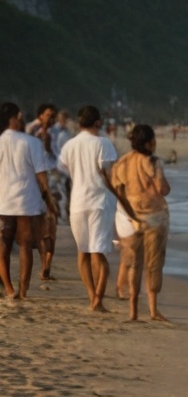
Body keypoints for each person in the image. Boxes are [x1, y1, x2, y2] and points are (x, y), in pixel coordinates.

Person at [58, 105, 120, 313]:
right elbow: (107, 172)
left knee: (83, 251)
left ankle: (92, 295)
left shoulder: (70, 145)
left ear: (79, 123)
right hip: (100, 202)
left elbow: (64, 169)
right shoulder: (103, 143)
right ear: (98, 122)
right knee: (98, 253)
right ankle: (98, 301)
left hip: (78, 202)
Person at [107, 124, 171, 323]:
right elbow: (162, 189)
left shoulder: (122, 163)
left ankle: (133, 311)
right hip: (155, 218)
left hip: (131, 218)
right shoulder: (153, 162)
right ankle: (153, 310)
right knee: (153, 264)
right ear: (149, 142)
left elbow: (116, 189)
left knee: (133, 263)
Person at [0, 102, 55, 300]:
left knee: (3, 245)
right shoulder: (31, 142)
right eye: (19, 115)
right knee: (25, 244)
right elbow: (42, 176)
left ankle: (8, 289)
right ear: (15, 118)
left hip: (3, 202)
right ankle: (23, 291)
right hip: (26, 201)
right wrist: (49, 200)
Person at [26, 104, 65, 284]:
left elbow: (59, 158)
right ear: (40, 115)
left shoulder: (57, 132)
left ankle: (46, 267)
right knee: (39, 225)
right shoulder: (29, 129)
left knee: (51, 222)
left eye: (53, 115)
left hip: (52, 178)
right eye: (48, 115)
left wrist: (49, 147)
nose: (51, 118)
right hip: (34, 180)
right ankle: (41, 262)